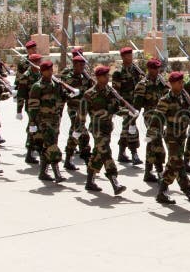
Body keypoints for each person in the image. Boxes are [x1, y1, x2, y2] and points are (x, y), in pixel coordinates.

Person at [146, 71, 190, 209]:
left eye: (183, 82)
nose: (182, 84)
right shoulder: (166, 99)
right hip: (171, 136)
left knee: (173, 165)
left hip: (182, 136)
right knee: (178, 163)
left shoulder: (184, 96)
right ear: (172, 84)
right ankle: (189, 193)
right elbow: (157, 118)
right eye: (179, 82)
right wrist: (150, 135)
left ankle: (162, 192)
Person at [81, 65, 126, 195]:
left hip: (107, 128)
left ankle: (90, 181)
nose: (108, 78)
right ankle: (114, 180)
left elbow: (117, 109)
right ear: (98, 77)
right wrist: (79, 128)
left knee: (98, 153)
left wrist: (127, 113)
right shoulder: (89, 94)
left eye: (108, 75)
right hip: (96, 129)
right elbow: (82, 112)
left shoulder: (110, 92)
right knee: (106, 152)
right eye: (105, 76)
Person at [28, 60, 68, 183]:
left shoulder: (55, 84)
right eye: (48, 70)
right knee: (52, 146)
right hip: (43, 121)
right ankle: (57, 173)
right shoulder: (37, 86)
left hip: (55, 120)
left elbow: (62, 98)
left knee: (48, 146)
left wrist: (70, 94)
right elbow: (33, 106)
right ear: (42, 72)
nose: (51, 72)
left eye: (52, 70)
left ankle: (42, 172)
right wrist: (32, 123)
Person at [133, 58, 168, 182]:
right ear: (149, 69)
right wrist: (132, 122)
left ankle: (148, 172)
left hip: (161, 116)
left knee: (151, 143)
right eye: (154, 69)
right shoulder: (142, 84)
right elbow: (136, 106)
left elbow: (168, 97)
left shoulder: (161, 82)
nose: (157, 71)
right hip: (149, 117)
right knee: (157, 141)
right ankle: (160, 171)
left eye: (158, 68)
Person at [61, 54, 94, 171]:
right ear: (74, 65)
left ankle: (68, 159)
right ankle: (87, 160)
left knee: (74, 134)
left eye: (83, 65)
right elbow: (63, 93)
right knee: (83, 133)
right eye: (79, 65)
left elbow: (93, 89)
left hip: (84, 109)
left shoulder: (85, 78)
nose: (82, 67)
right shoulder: (68, 78)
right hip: (73, 109)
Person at [112, 46, 143, 164]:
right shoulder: (118, 73)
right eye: (128, 56)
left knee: (127, 127)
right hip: (125, 105)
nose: (130, 57)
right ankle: (134, 153)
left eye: (131, 55)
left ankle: (121, 152)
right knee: (131, 127)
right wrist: (120, 107)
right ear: (123, 57)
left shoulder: (135, 69)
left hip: (135, 104)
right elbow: (116, 92)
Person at [16, 53, 42, 164]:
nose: (39, 64)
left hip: (41, 106)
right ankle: (31, 153)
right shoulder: (26, 76)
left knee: (36, 128)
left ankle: (32, 152)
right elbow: (21, 94)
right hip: (31, 106)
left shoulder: (40, 73)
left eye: (39, 61)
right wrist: (19, 110)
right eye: (37, 62)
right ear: (32, 63)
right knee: (33, 127)